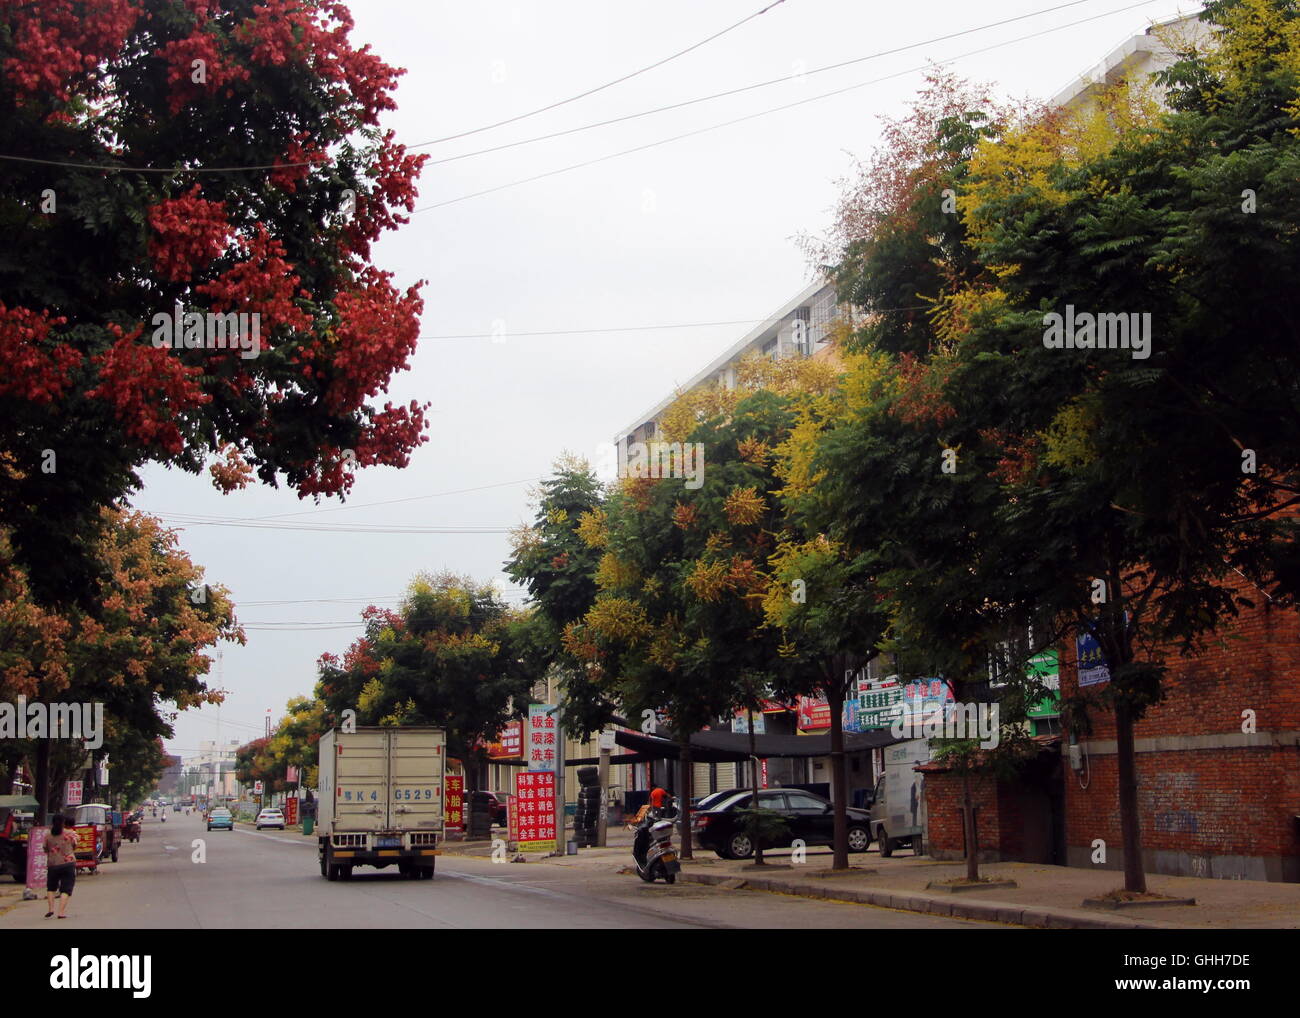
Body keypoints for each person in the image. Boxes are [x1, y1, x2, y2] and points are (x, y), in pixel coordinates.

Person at [44, 815, 78, 919]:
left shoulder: (48, 835)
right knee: (66, 889)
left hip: (53, 864)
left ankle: (50, 909)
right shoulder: (70, 833)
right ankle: (61, 912)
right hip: (68, 863)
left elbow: (45, 849)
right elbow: (75, 845)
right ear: (63, 823)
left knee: (51, 887)